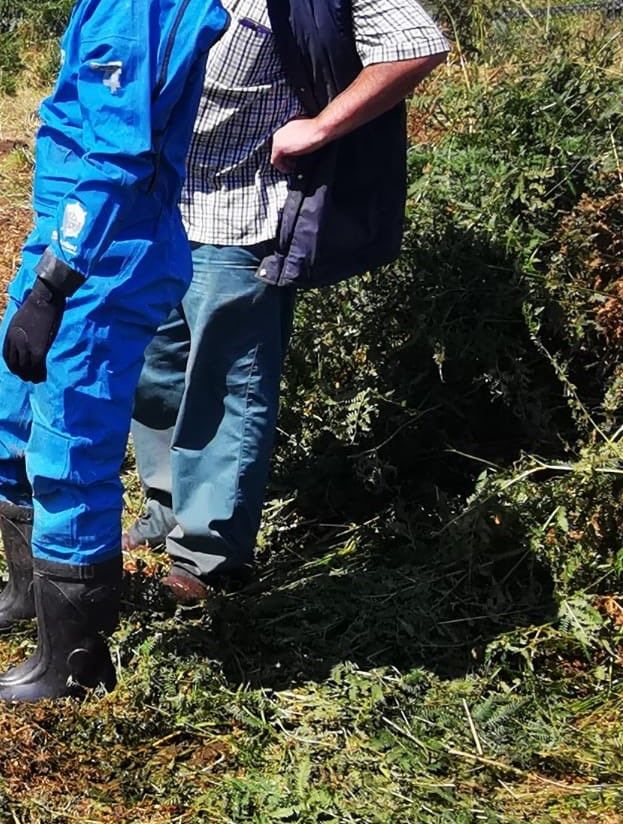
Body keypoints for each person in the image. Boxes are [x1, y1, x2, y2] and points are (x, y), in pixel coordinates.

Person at [0, 0, 230, 703]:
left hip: (100, 256)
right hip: (61, 238)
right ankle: (29, 598)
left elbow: (116, 156)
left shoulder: (130, 9)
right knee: (5, 417)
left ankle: (71, 664)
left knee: (69, 451)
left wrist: (54, 284)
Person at [124, 0, 449, 604]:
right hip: (159, 209)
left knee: (225, 384)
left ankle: (207, 558)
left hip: (240, 216)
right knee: (157, 371)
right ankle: (165, 510)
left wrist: (323, 125)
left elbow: (416, 43)